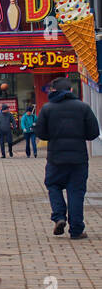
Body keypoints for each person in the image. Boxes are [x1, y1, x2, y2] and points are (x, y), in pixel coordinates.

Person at [35, 76, 99, 239]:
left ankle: (59, 216)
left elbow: (41, 133)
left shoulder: (47, 109)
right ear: (71, 91)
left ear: (54, 91)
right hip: (78, 159)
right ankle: (76, 230)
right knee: (76, 192)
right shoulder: (83, 108)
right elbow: (93, 133)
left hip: (56, 158)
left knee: (53, 185)